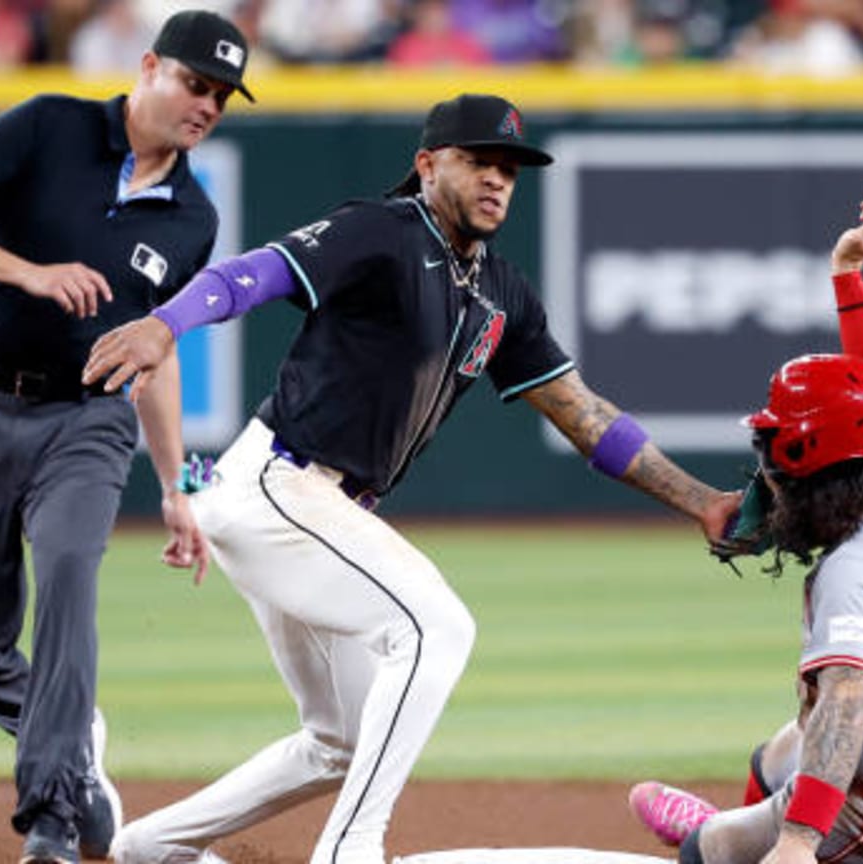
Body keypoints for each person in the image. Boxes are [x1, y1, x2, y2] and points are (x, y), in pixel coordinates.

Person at [81, 92, 743, 864]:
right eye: (477, 162)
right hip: (278, 485)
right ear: (429, 165)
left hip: (309, 504)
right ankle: (351, 850)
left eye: (509, 169)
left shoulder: (499, 290)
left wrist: (702, 502)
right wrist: (168, 323)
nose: (496, 180)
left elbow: (582, 412)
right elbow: (257, 273)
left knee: (339, 740)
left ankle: (149, 847)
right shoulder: (384, 231)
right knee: (436, 626)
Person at [0, 10, 253, 863]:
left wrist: (177, 486)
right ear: (150, 66)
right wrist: (29, 273)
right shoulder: (50, 124)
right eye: (196, 83)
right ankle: (71, 736)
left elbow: (155, 356)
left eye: (223, 97)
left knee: (67, 575)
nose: (207, 106)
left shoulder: (193, 218)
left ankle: (50, 820)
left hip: (85, 419)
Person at [627, 190, 863, 864]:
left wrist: (797, 841)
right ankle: (766, 811)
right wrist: (848, 278)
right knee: (777, 755)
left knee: (705, 853)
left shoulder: (859, 569)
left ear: (808, 464)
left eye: (773, 449)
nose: (764, 466)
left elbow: (848, 704)